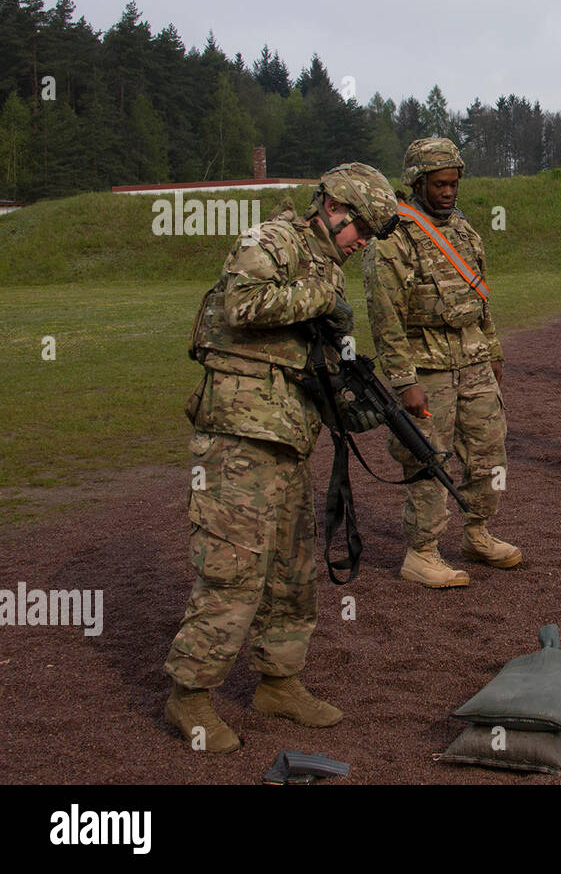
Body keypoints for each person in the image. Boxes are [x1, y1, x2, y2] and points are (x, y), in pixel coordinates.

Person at [164, 162, 398, 753]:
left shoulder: (325, 267)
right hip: (238, 435)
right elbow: (240, 306)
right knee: (233, 567)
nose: (363, 241)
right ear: (332, 207)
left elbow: (309, 361)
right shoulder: (271, 241)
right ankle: (189, 695)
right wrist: (324, 297)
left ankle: (279, 681)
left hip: (288, 434)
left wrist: (348, 399)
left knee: (292, 569)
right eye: (360, 228)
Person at [363, 137, 519, 590]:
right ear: (417, 182)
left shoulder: (467, 233)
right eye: (439, 184)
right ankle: (422, 552)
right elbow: (384, 317)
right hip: (425, 366)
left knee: (490, 450)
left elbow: (482, 299)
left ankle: (476, 533)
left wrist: (493, 352)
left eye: (453, 183)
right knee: (427, 459)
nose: (449, 192)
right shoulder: (393, 239)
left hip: (472, 359)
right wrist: (403, 380)